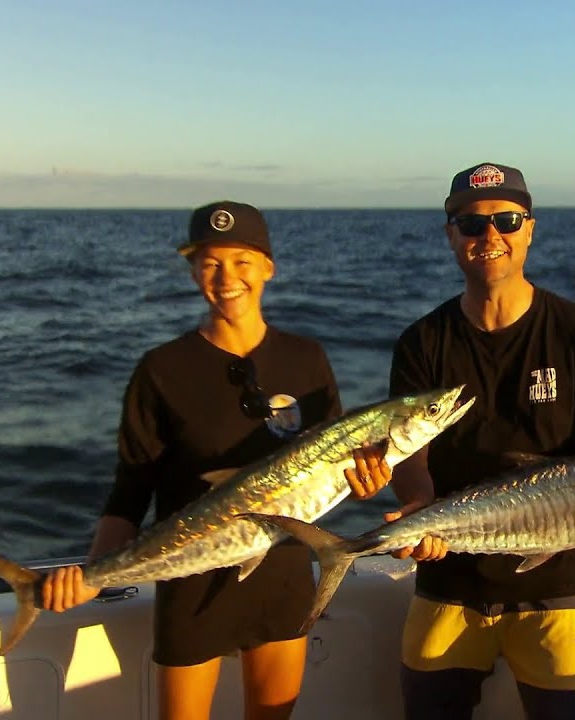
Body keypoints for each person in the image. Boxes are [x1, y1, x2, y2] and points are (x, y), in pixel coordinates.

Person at [39, 200, 391, 720]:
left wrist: (369, 483)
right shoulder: (161, 369)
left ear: (268, 267)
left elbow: (338, 469)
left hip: (284, 573)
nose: (227, 278)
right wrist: (90, 577)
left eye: (242, 261)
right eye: (209, 263)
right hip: (191, 580)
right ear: (192, 271)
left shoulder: (307, 359)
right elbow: (130, 490)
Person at [385, 163, 575, 720]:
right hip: (448, 577)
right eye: (472, 225)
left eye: (506, 220)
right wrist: (418, 508)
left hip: (557, 583)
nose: (490, 237)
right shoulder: (422, 342)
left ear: (530, 227)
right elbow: (410, 456)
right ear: (450, 234)